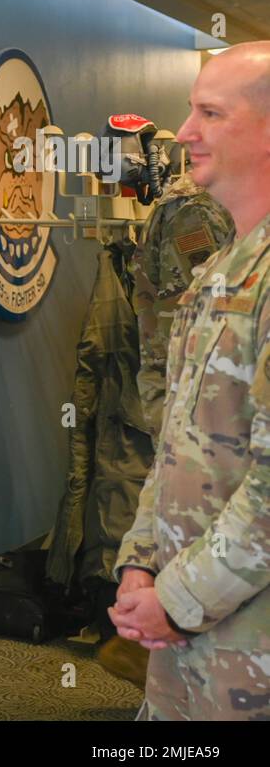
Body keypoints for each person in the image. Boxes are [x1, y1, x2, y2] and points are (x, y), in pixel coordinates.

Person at [110, 41, 270, 719]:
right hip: (183, 640)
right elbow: (178, 437)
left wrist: (176, 600)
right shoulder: (219, 272)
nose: (186, 134)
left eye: (210, 112)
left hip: (247, 652)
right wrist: (141, 561)